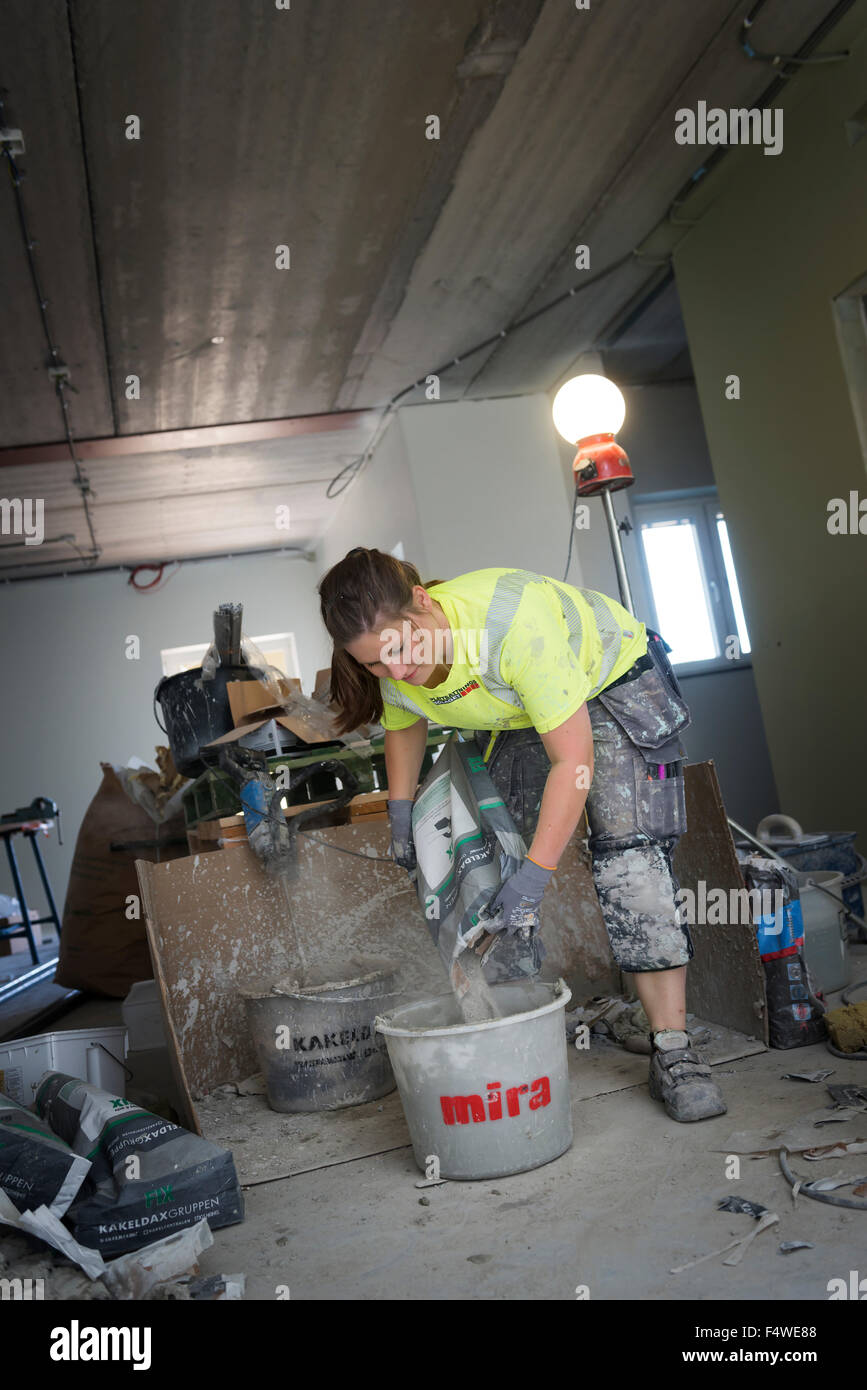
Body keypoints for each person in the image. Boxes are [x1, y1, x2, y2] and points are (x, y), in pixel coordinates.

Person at [318, 546, 726, 1123]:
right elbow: (404, 721)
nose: (398, 670)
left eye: (403, 651)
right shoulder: (391, 653)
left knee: (627, 859)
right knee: (493, 858)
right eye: (376, 665)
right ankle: (514, 1038)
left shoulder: (510, 628)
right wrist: (402, 809)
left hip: (607, 678)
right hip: (521, 706)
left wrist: (537, 877)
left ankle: (674, 1051)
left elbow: (574, 764)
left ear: (424, 604)